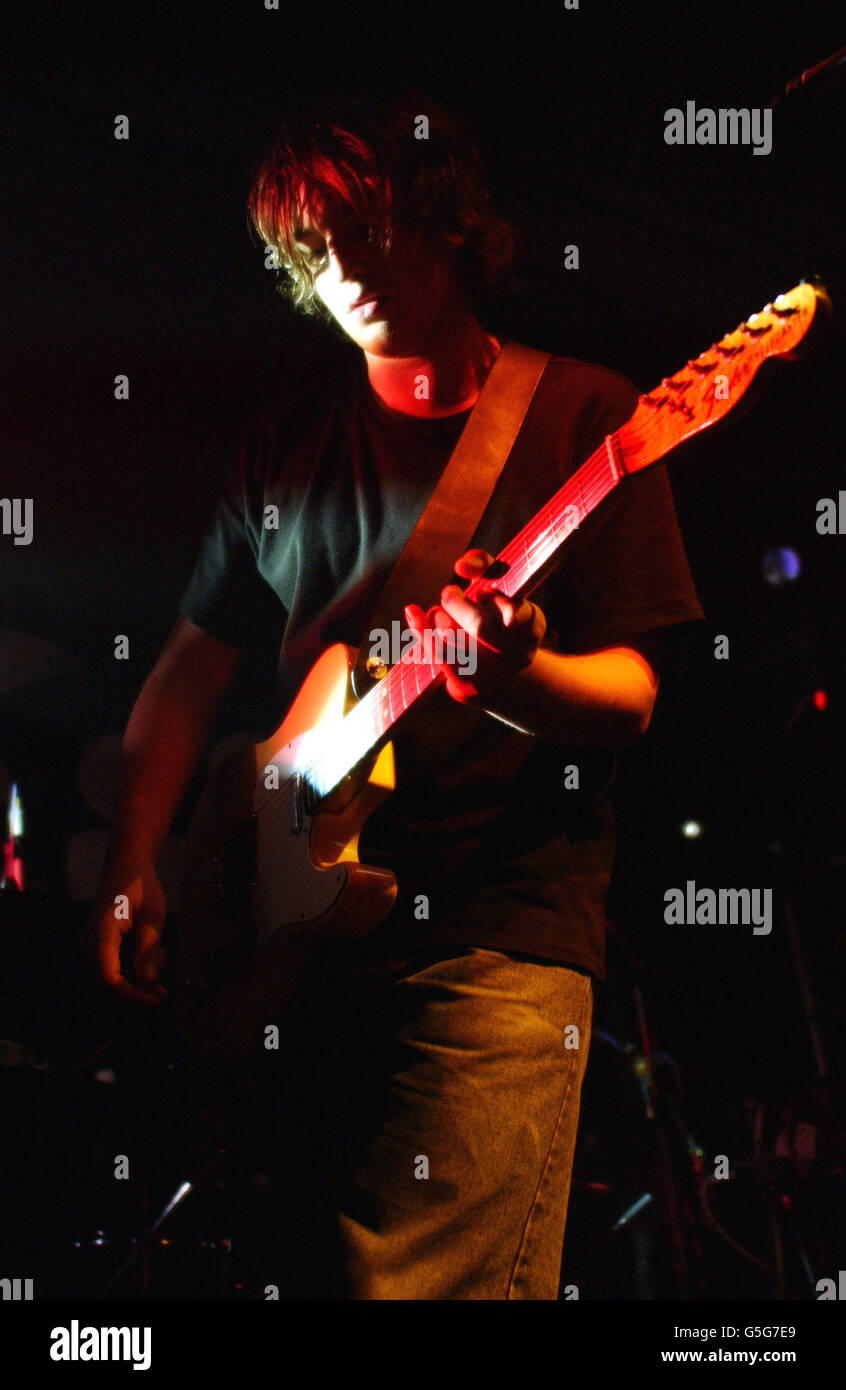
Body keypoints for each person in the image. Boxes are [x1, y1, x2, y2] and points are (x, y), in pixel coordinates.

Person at [83, 88, 703, 1299]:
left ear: (448, 220)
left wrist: (516, 675)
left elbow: (631, 695)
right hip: (296, 958)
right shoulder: (284, 444)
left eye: (366, 227)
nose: (343, 269)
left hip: (489, 947)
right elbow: (186, 670)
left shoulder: (585, 416)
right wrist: (133, 862)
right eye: (311, 250)